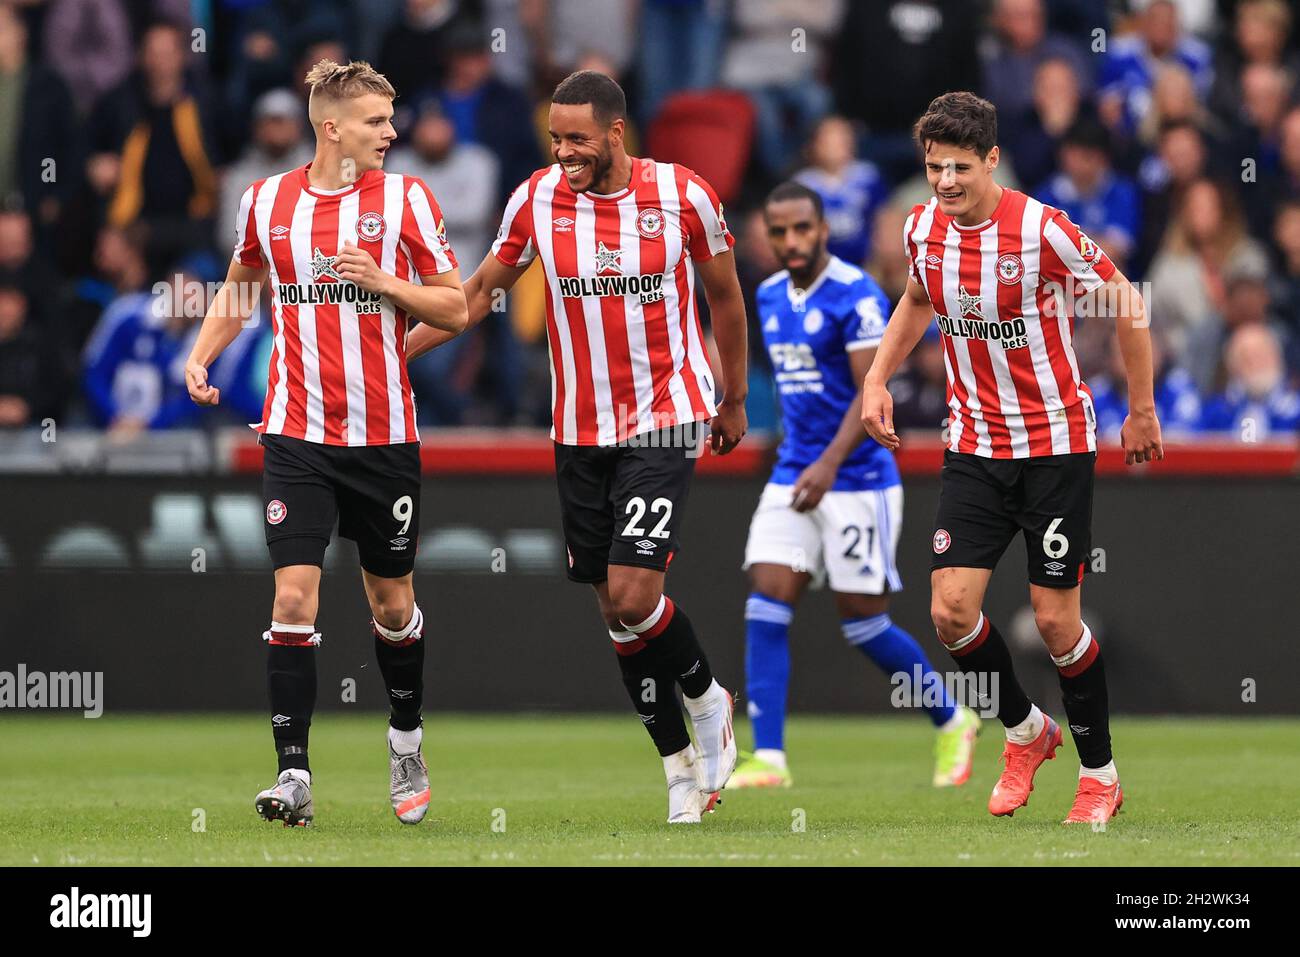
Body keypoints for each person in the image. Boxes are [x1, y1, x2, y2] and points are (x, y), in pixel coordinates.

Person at [407, 70, 748, 824]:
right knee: (614, 615)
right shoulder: (534, 200)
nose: (565, 152)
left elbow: (725, 295)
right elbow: (476, 294)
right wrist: (397, 352)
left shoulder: (683, 196)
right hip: (579, 428)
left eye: (579, 140)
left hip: (667, 414)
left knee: (635, 594)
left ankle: (707, 695)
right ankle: (677, 770)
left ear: (617, 133)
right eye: (555, 138)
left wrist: (734, 396)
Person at [860, 91, 1164, 825]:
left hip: (1054, 444)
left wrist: (1142, 408)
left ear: (992, 159)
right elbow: (916, 301)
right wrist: (876, 377)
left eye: (960, 166)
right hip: (974, 446)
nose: (945, 181)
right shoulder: (923, 228)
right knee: (950, 612)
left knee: (1057, 623)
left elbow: (1126, 302)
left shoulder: (1043, 230)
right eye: (934, 167)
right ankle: (1027, 731)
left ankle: (1101, 774)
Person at [183, 60, 468, 827]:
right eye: (378, 121)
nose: (392, 132)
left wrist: (387, 284)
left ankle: (405, 736)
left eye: (391, 118)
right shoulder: (267, 202)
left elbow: (456, 307)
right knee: (292, 595)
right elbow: (244, 284)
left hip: (383, 437)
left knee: (391, 602)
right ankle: (294, 774)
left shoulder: (406, 198)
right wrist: (201, 353)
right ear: (332, 127)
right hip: (296, 433)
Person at [731, 181, 980, 791]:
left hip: (858, 478)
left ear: (822, 229)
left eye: (801, 229)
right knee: (766, 599)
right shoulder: (765, 295)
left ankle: (952, 718)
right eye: (779, 230)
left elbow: (872, 391)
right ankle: (770, 758)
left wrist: (829, 464)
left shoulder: (856, 295)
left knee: (863, 622)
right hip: (794, 470)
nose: (790, 241)